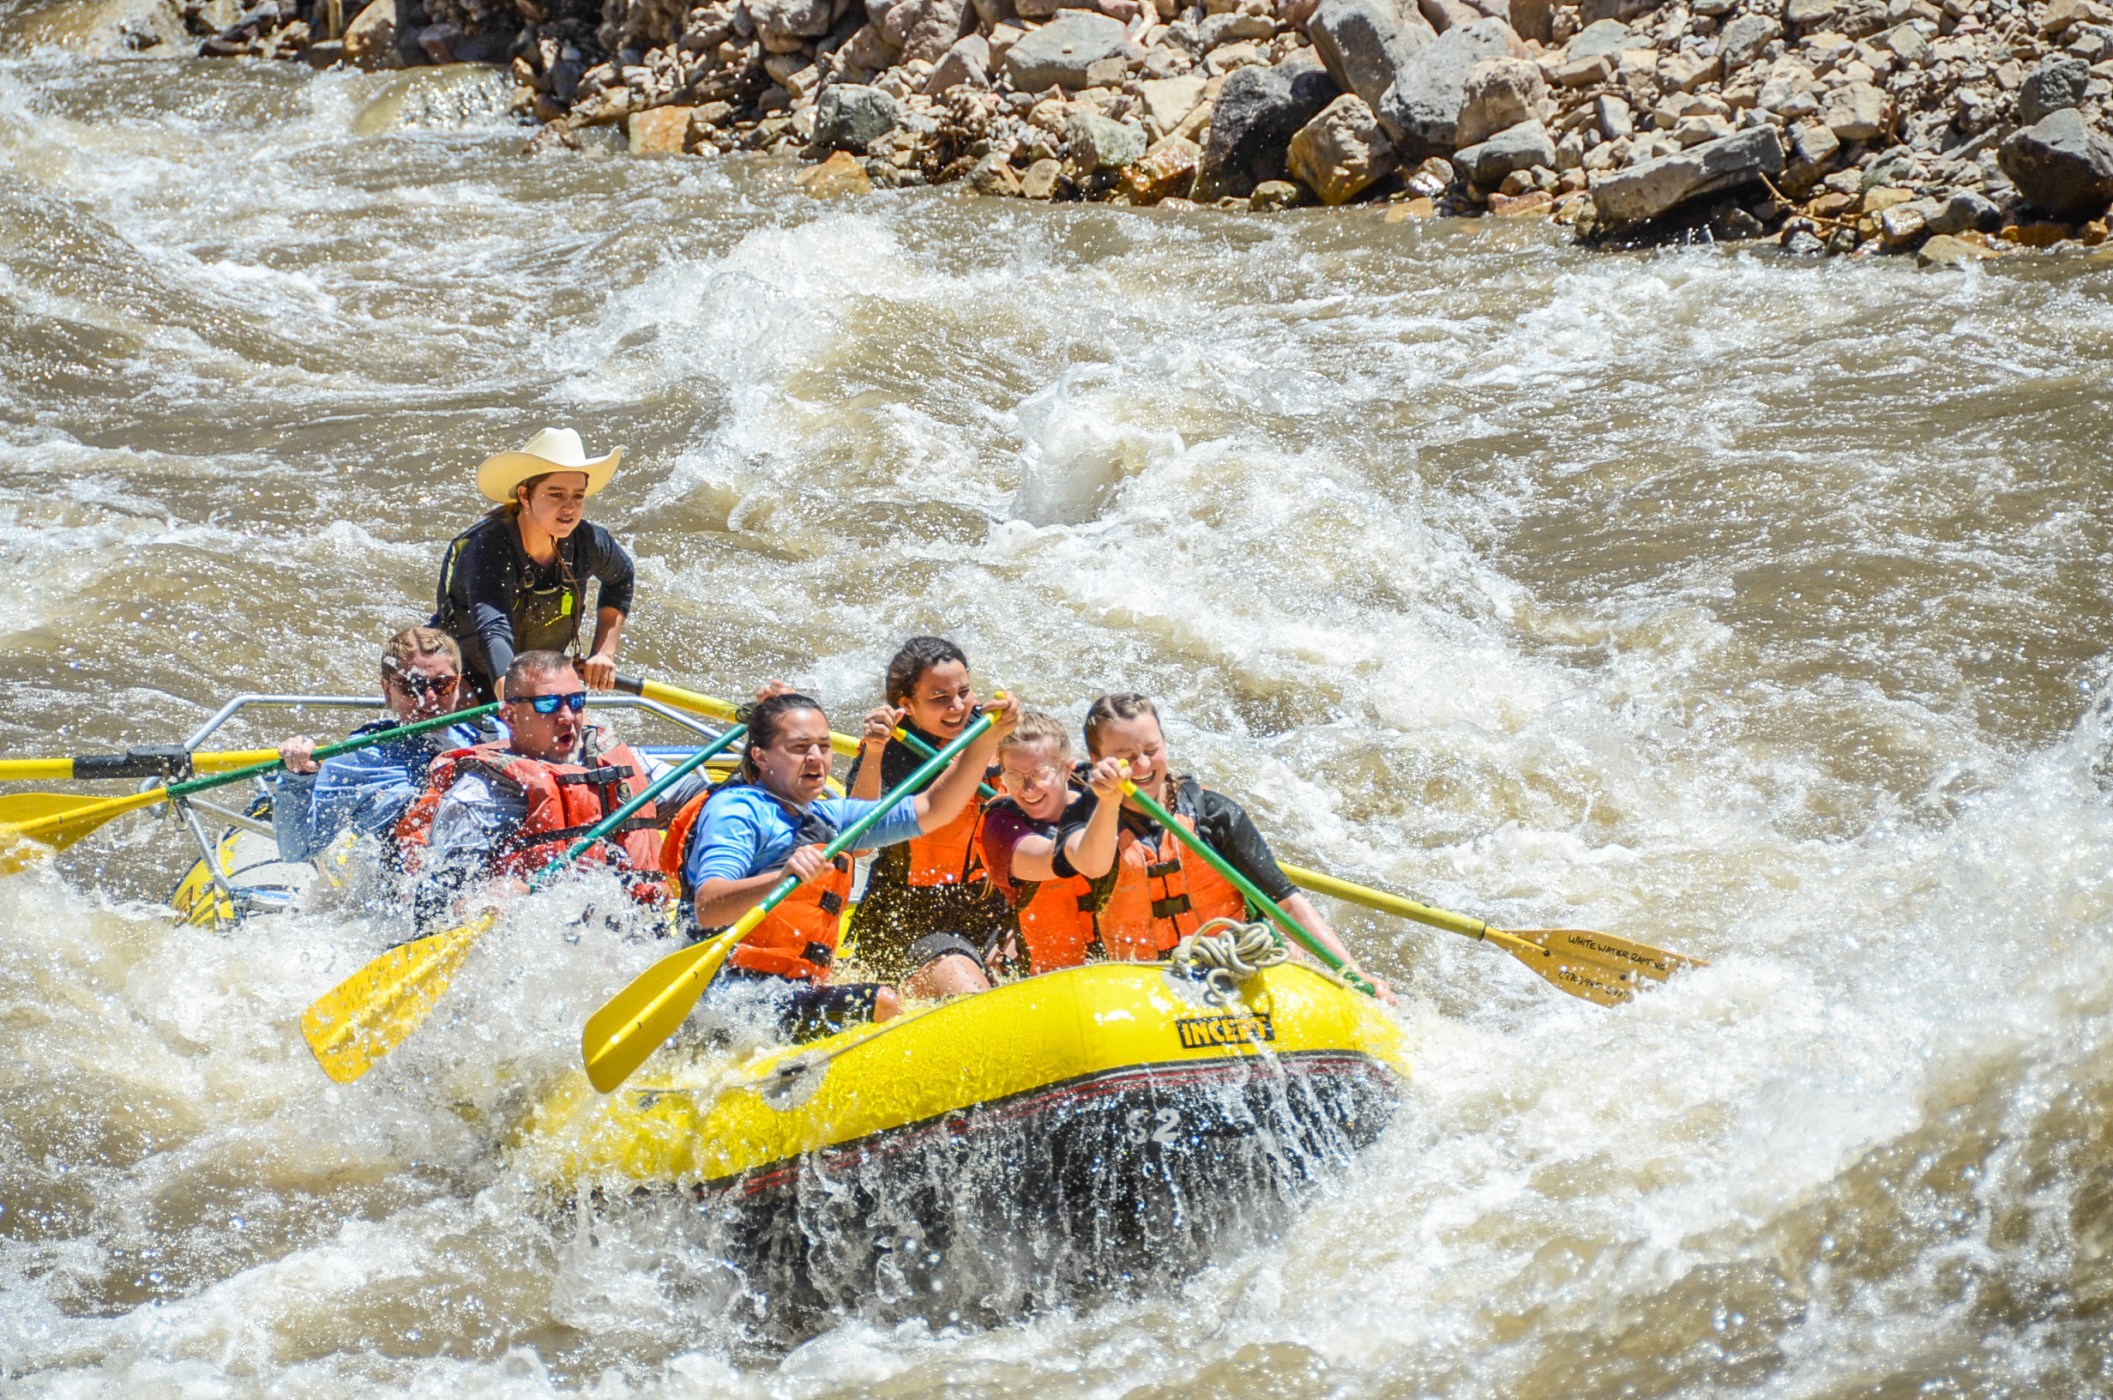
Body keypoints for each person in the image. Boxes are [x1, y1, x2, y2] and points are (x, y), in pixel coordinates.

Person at [661, 688, 1020, 1042]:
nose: (816, 758)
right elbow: (707, 907)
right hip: (728, 994)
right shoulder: (737, 811)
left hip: (789, 990)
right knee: (882, 1002)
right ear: (761, 757)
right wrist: (780, 878)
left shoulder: (827, 815)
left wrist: (988, 739)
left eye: (824, 746)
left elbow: (933, 809)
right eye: (799, 748)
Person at [1057, 693, 1393, 1001]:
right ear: (1097, 759)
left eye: (1151, 750)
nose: (1144, 765)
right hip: (1141, 983)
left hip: (1230, 966)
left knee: (1291, 954)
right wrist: (1109, 801)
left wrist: (1351, 973)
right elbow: (1093, 864)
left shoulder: (1214, 814)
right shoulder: (1082, 816)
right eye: (1126, 757)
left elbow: (1288, 906)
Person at [402, 650, 698, 928]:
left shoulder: (623, 762)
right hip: (531, 946)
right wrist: (485, 901)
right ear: (509, 716)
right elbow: (434, 910)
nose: (568, 716)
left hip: (634, 934)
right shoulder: (478, 797)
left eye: (577, 701)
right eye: (549, 704)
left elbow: (705, 802)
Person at [843, 637, 1012, 997]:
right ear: (907, 704)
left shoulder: (991, 728)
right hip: (912, 916)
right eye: (939, 698)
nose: (957, 707)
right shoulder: (890, 749)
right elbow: (856, 844)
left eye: (963, 693)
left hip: (990, 905)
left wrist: (1014, 727)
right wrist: (873, 752)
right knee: (972, 996)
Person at [432, 427, 636, 704]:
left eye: (578, 496)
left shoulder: (589, 542)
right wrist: (514, 700)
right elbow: (494, 629)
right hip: (465, 676)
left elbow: (621, 578)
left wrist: (603, 653)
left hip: (534, 678)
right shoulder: (488, 548)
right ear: (525, 495)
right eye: (555, 494)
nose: (570, 508)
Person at [269, 627, 502, 866]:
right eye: (412, 686)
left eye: (442, 685)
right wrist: (298, 779)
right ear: (387, 690)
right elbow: (296, 851)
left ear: (459, 684)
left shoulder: (496, 735)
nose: (429, 698)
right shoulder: (359, 758)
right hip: (402, 888)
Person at [973, 711, 1126, 976]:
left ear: (1067, 770)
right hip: (1048, 979)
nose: (1027, 789)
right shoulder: (998, 826)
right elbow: (1065, 860)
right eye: (1015, 776)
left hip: (1129, 966)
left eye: (1038, 773)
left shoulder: (1098, 795)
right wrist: (1110, 804)